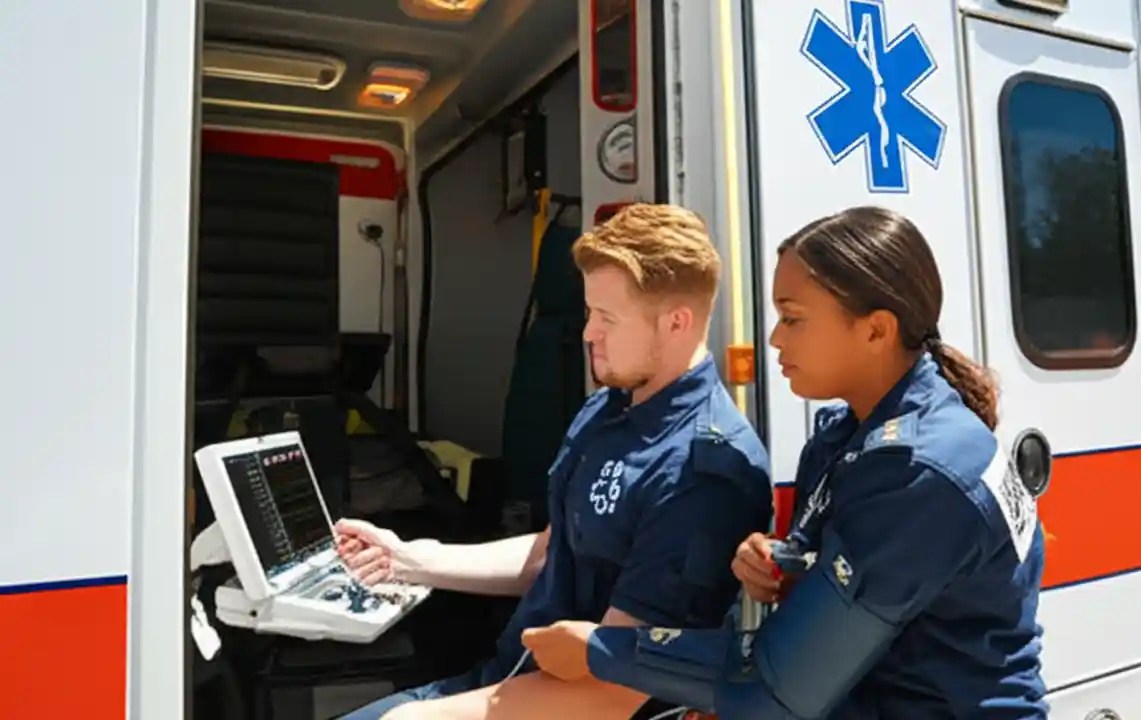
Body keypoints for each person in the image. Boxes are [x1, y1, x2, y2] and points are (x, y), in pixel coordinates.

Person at [520, 206, 1048, 719]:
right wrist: (785, 566)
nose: (775, 338)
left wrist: (601, 649)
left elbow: (775, 690)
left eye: (793, 318)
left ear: (876, 330)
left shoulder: (921, 471)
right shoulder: (848, 437)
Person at [335, 203, 774, 719]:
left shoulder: (702, 474)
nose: (589, 333)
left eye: (607, 318)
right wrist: (408, 560)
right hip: (507, 681)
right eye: (590, 313)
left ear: (676, 323)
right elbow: (556, 551)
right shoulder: (612, 407)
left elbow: (612, 690)